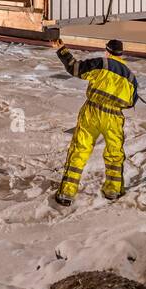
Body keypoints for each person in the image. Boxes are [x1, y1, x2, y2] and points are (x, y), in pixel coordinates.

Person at [49, 37, 138, 206]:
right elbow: (132, 101)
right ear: (121, 54)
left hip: (92, 112)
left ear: (107, 50)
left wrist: (61, 49)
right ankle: (112, 190)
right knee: (114, 154)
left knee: (80, 150)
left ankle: (67, 193)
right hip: (114, 117)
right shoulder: (130, 76)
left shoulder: (101, 64)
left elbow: (74, 68)